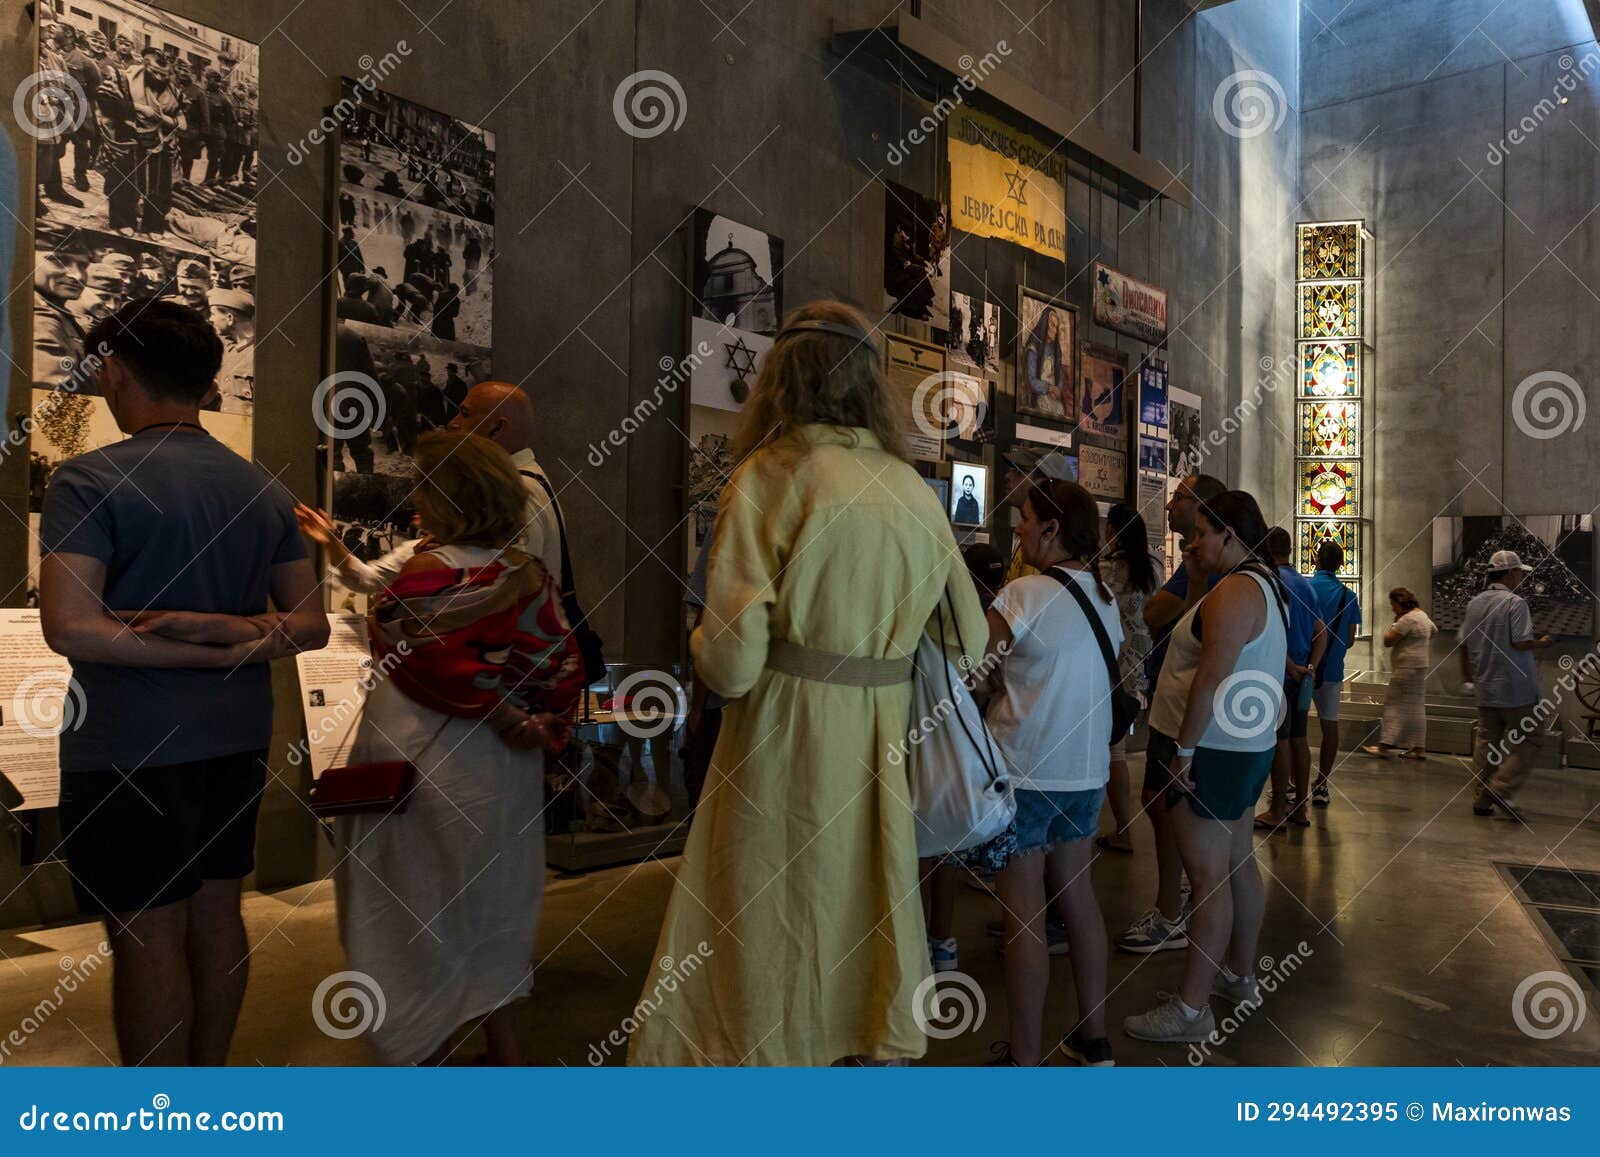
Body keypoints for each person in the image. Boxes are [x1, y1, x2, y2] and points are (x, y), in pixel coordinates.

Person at [628, 301, 988, 1066]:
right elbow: (970, 635)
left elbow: (731, 661)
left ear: (780, 382)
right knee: (864, 904)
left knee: (770, 916)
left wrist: (703, 640)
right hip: (886, 735)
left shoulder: (772, 475)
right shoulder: (912, 490)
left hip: (784, 739)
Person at [38, 298, 329, 1066]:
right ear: (206, 382)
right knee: (217, 913)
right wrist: (234, 640)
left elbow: (70, 628)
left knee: (147, 935)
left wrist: (198, 646)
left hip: (127, 747)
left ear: (115, 371)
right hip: (235, 737)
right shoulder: (262, 488)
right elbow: (310, 626)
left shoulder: (88, 478)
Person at [332, 431, 582, 1065]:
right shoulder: (528, 580)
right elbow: (559, 670)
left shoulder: (410, 585)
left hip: (405, 755)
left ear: (439, 496)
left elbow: (414, 654)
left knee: (404, 908)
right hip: (498, 766)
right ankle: (507, 1057)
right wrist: (525, 721)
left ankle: (426, 1056)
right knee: (496, 903)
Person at [1124, 491, 1287, 1044]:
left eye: (1200, 531)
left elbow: (1209, 677)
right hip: (1239, 746)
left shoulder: (1238, 591)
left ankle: (1192, 1011)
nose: (1190, 542)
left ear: (1229, 534)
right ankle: (1238, 977)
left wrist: (1184, 752)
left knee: (1208, 878)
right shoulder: (1259, 583)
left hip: (1211, 750)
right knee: (1236, 863)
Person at [981, 480, 1121, 1067]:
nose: (1017, 528)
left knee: (1024, 919)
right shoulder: (1104, 599)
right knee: (1080, 903)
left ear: (1052, 528)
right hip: (1085, 775)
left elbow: (968, 669)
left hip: (1024, 773)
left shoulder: (1023, 594)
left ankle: (1026, 1059)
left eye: (1025, 518)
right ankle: (1093, 1038)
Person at [1115, 472, 1226, 955]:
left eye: (1178, 498)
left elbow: (1169, 616)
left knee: (1168, 803)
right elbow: (1154, 612)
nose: (1168, 507)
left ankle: (1172, 914)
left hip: (1187, 705)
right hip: (1169, 699)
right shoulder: (1189, 564)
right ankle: (1178, 899)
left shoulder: (1211, 566)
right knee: (1160, 802)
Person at [1458, 550, 1555, 821]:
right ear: (1510, 573)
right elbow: (1521, 642)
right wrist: (1544, 643)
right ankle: (1500, 789)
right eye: (1519, 573)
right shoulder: (1515, 603)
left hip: (1486, 687)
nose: (1521, 578)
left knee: (1487, 741)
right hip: (1517, 689)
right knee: (1532, 737)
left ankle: (1481, 799)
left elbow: (1464, 645)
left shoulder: (1475, 603)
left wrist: (1467, 679)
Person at [1098, 502, 1162, 854]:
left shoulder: (1106, 570)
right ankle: (1123, 827)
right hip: (1137, 667)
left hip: (1108, 668)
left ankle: (1122, 828)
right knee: (1116, 748)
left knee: (1110, 752)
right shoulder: (1151, 569)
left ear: (1112, 530)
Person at [1254, 527, 1326, 831]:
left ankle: (1277, 809)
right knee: (1300, 740)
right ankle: (1300, 809)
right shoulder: (1305, 585)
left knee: (1279, 741)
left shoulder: (1271, 583)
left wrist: (1290, 665)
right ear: (1291, 550)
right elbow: (1321, 631)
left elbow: (1271, 632)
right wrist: (1310, 666)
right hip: (1301, 676)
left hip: (1280, 673)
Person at [1308, 539, 1361, 805]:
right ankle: (1321, 784)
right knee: (1329, 727)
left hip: (1301, 670)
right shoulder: (1348, 597)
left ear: (1316, 561)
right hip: (1331, 672)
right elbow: (1350, 639)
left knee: (1294, 731)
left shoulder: (1305, 589)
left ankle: (1291, 781)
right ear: (1341, 564)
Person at [1361, 587, 1436, 760]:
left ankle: (1384, 745)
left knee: (1393, 705)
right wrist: (1418, 642)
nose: (1392, 608)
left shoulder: (1407, 619)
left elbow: (1388, 640)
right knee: (1417, 708)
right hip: (1420, 667)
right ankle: (1419, 748)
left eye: (1392, 604)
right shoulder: (1422, 615)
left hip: (1405, 668)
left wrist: (1396, 622)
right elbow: (1434, 631)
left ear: (1399, 602)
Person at [999, 447, 1075, 582]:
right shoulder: (1032, 535)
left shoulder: (1046, 547)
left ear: (1044, 484)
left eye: (1019, 471)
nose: (1007, 476)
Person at [207, 288, 255, 412]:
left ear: (229, 318)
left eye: (213, 314)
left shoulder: (260, 354)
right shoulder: (230, 351)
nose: (211, 319)